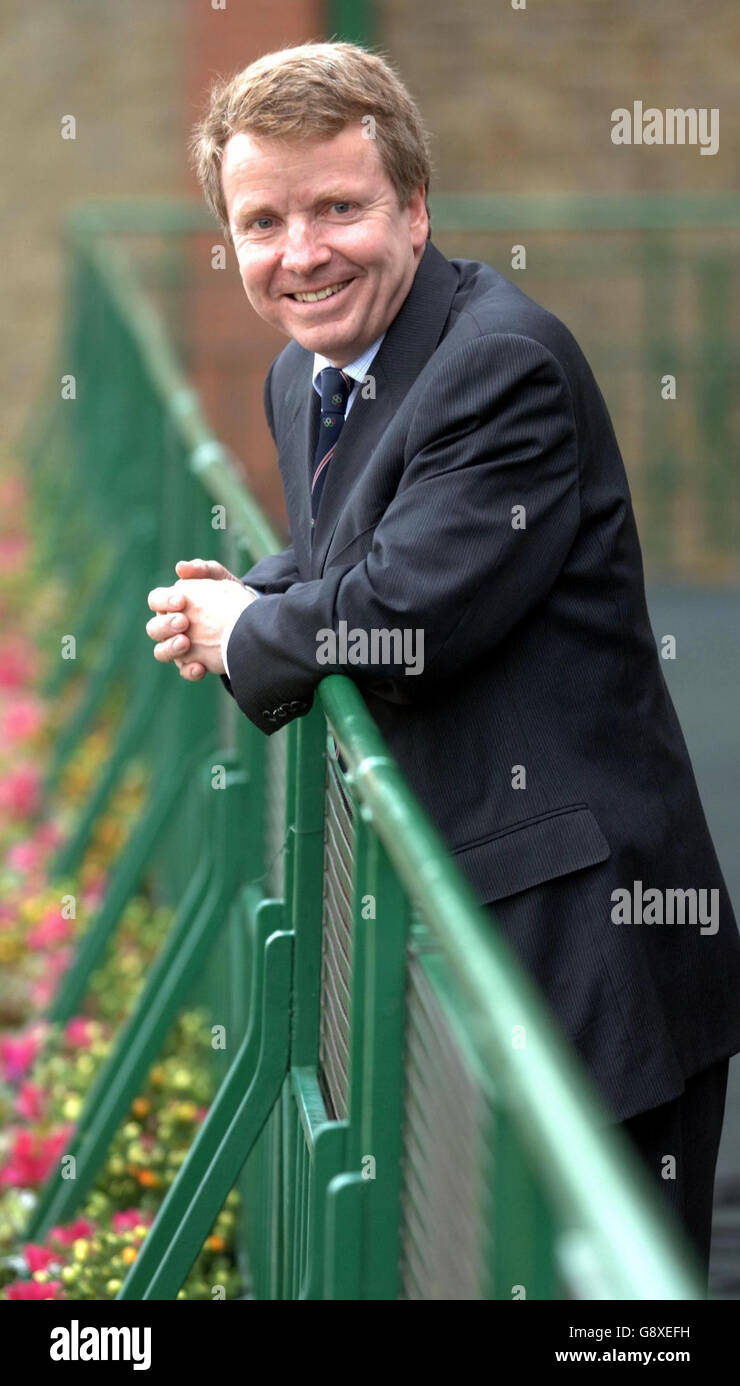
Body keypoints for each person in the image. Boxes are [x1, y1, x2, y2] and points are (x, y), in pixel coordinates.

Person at [146, 41, 740, 1289]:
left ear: (413, 208)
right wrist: (254, 594)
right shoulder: (304, 368)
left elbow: (404, 618)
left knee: (611, 1305)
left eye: (337, 209)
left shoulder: (498, 363)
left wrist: (248, 637)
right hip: (469, 936)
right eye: (262, 222)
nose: (299, 253)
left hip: (587, 949)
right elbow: (350, 546)